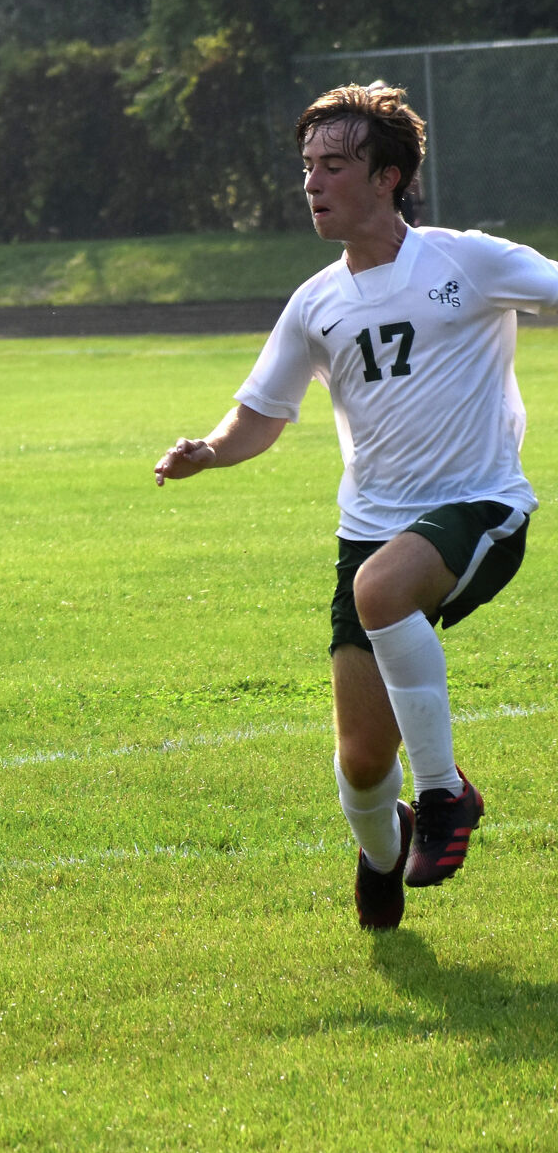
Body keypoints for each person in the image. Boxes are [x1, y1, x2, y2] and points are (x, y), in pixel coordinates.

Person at [154, 82, 553, 931]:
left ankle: (445, 794)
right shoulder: (315, 303)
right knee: (363, 759)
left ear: (388, 178)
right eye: (306, 167)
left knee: (381, 590)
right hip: (369, 529)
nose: (312, 183)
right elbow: (261, 414)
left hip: (479, 505)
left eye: (334, 165)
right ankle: (382, 851)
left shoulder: (464, 260)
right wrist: (210, 450)